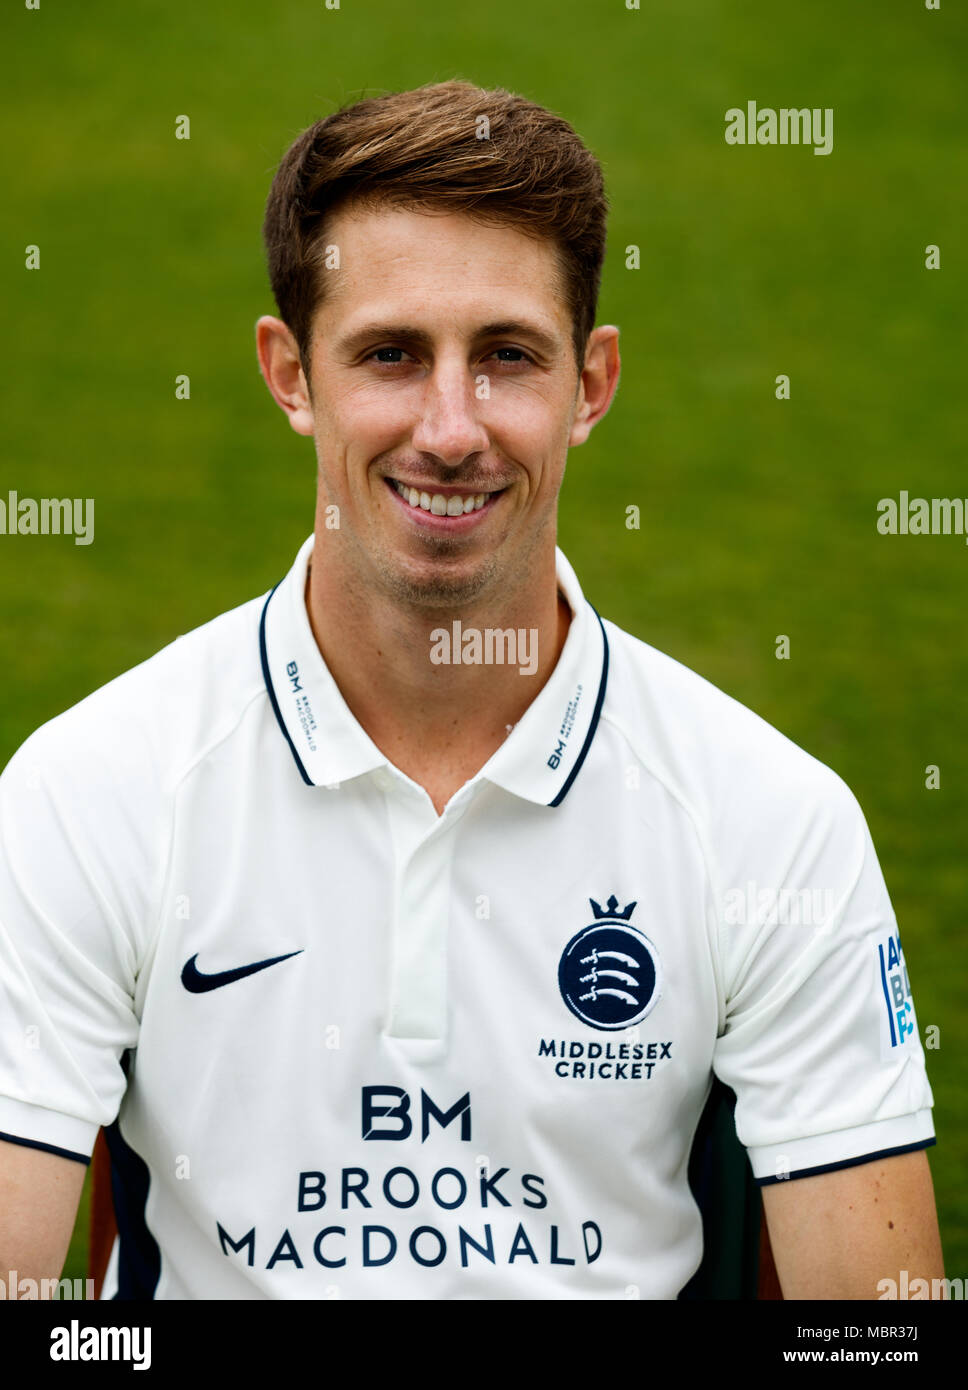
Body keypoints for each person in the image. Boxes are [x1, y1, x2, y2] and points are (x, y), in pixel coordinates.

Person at [0, 80, 943, 1300]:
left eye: (506, 357)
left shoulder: (773, 820)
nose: (451, 429)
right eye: (390, 355)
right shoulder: (88, 795)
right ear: (289, 375)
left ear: (590, 384)